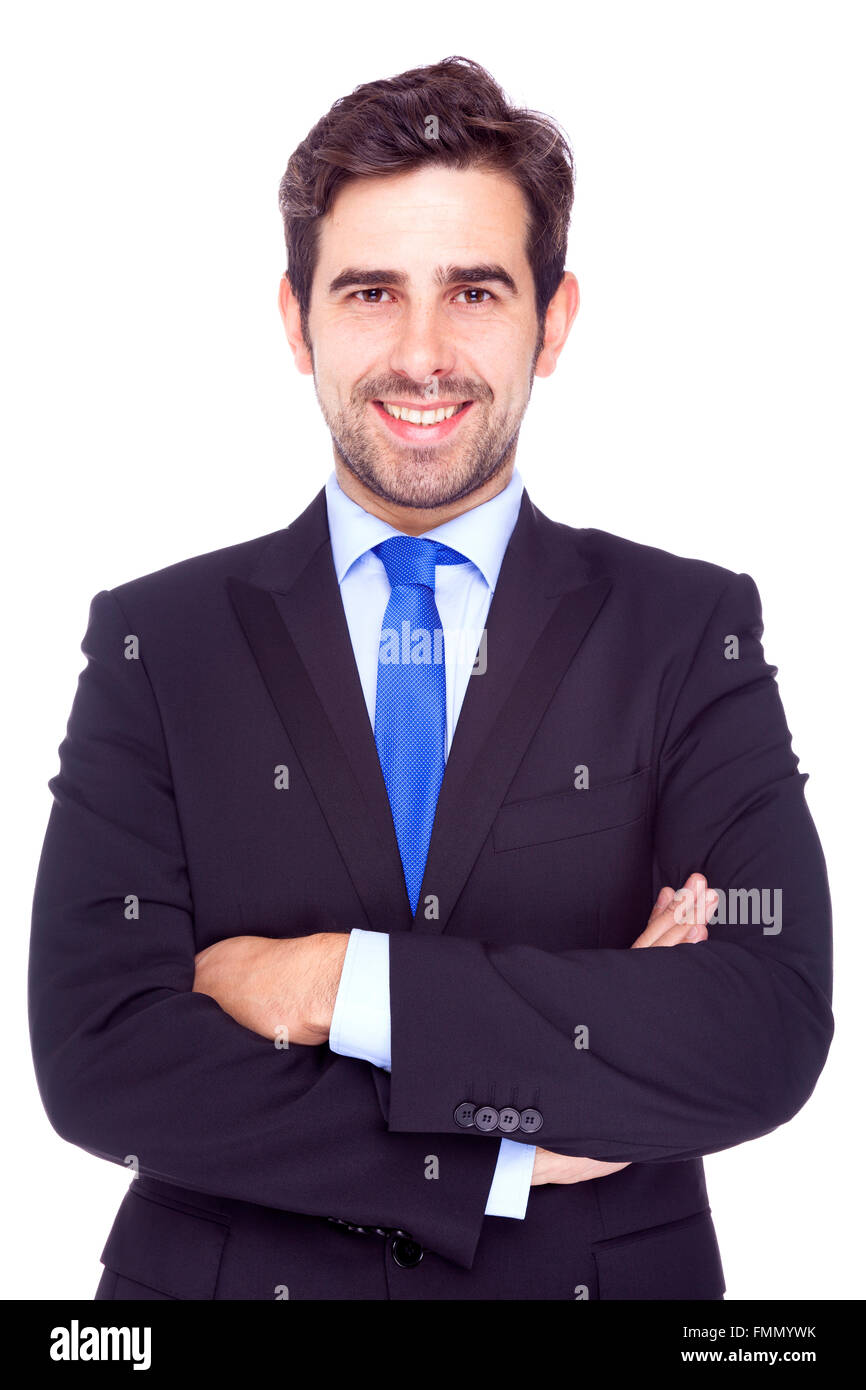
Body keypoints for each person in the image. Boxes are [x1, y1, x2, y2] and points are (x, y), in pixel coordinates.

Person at [28, 55, 833, 1301]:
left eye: (472, 291)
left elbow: (758, 1022)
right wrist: (496, 1158)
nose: (420, 354)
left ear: (551, 320)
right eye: (367, 293)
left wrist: (330, 985)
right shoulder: (156, 643)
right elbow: (100, 1058)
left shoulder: (686, 629)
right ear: (294, 322)